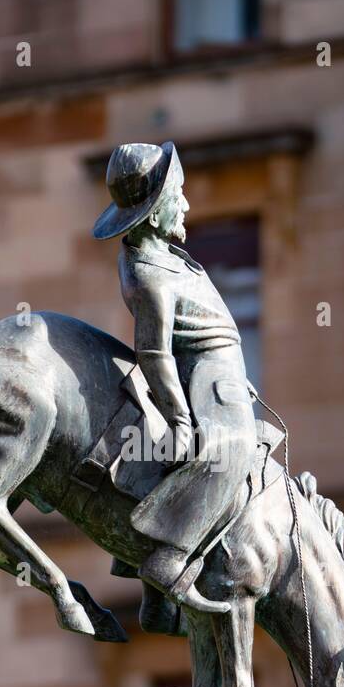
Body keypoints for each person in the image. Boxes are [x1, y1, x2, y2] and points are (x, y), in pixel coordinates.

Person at [93, 141, 257, 616]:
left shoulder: (163, 252)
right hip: (202, 374)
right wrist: (182, 420)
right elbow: (154, 353)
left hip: (222, 372)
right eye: (177, 196)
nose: (185, 204)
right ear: (151, 214)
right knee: (234, 448)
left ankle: (167, 588)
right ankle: (168, 559)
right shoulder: (148, 277)